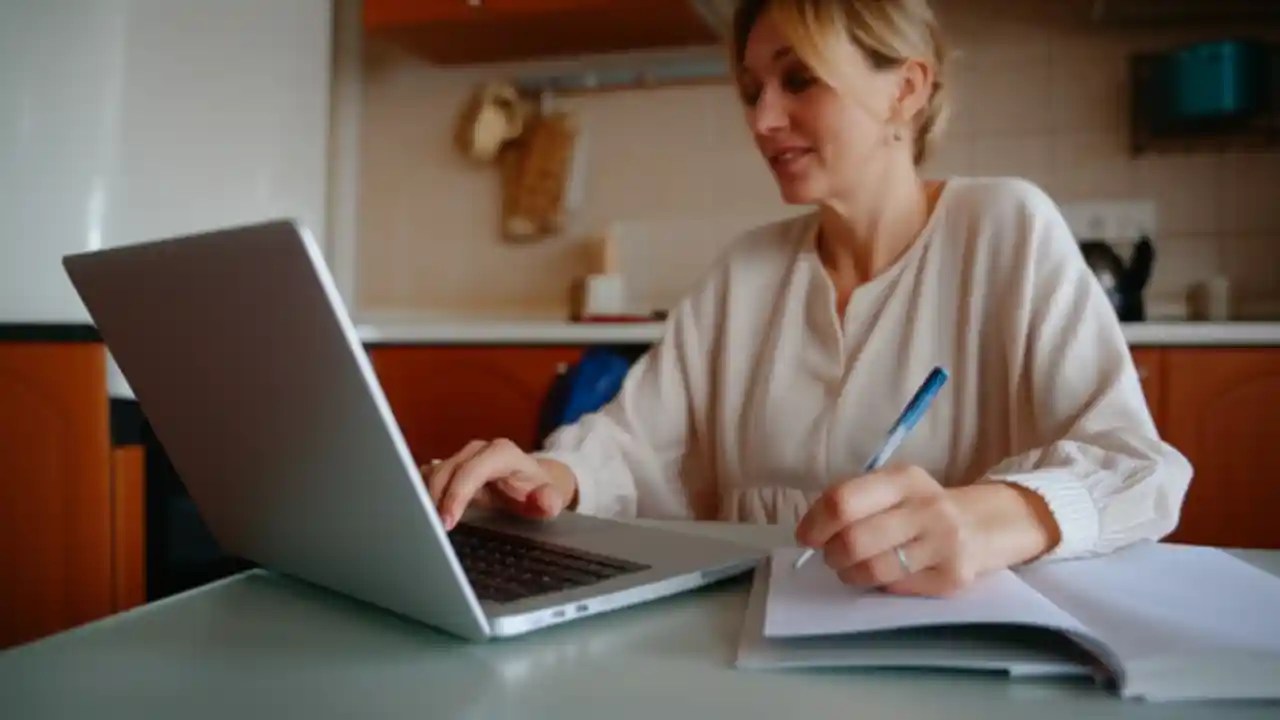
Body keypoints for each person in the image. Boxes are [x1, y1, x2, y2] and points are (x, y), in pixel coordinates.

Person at [424, 0, 1192, 597]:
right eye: (752, 90)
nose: (761, 120)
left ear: (906, 87)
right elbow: (630, 446)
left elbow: (1138, 470)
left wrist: (997, 514)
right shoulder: (745, 270)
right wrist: (546, 477)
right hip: (739, 641)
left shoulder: (1006, 228)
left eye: (798, 80)